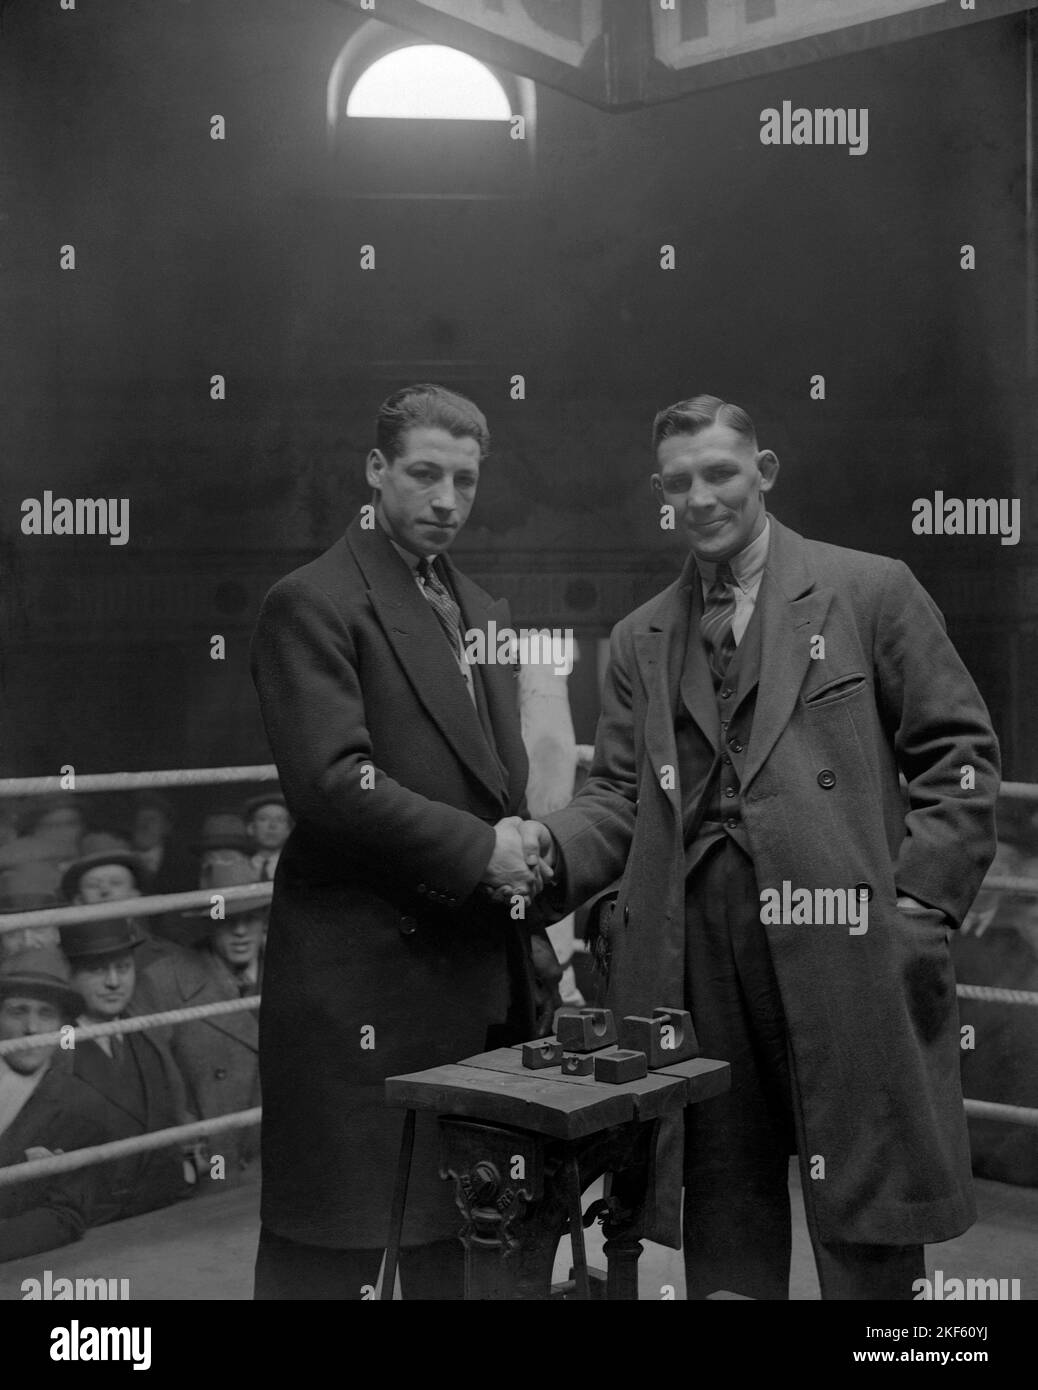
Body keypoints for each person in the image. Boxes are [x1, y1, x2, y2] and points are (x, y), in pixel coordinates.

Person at [523, 395, 1000, 1300]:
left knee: (870, 1204)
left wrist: (922, 909)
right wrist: (551, 851)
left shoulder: (869, 589)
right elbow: (619, 797)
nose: (700, 498)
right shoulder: (640, 639)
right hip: (698, 953)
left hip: (848, 939)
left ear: (764, 472)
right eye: (679, 483)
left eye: (720, 473)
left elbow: (961, 755)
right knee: (726, 1200)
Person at [249, 383, 556, 1300]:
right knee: (328, 1247)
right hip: (356, 976)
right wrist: (480, 853)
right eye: (424, 474)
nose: (446, 500)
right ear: (377, 470)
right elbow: (335, 784)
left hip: (469, 968)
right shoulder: (311, 601)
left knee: (455, 1248)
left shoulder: (482, 608)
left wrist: (522, 840)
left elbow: (498, 779)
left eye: (465, 480)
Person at [58, 918, 196, 1225]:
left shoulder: (149, 1034)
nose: (114, 982)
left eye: (123, 968)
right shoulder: (55, 1049)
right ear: (69, 976)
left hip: (167, 1212)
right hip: (100, 1227)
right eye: (96, 970)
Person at [134, 859, 263, 1178]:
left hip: (279, 1159)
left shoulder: (294, 972)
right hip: (213, 1165)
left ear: (266, 919)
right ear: (208, 922)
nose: (240, 931)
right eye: (226, 919)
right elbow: (158, 1080)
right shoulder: (165, 982)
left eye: (250, 917)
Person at [0, 949, 113, 1262]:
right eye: (17, 1011)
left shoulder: (80, 1105)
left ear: (63, 1029)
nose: (32, 1028)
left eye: (45, 1014)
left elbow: (66, 1216)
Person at [243, 793, 291, 882]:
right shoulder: (240, 869)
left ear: (288, 831)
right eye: (263, 819)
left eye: (280, 820)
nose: (272, 825)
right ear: (251, 828)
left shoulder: (298, 868)